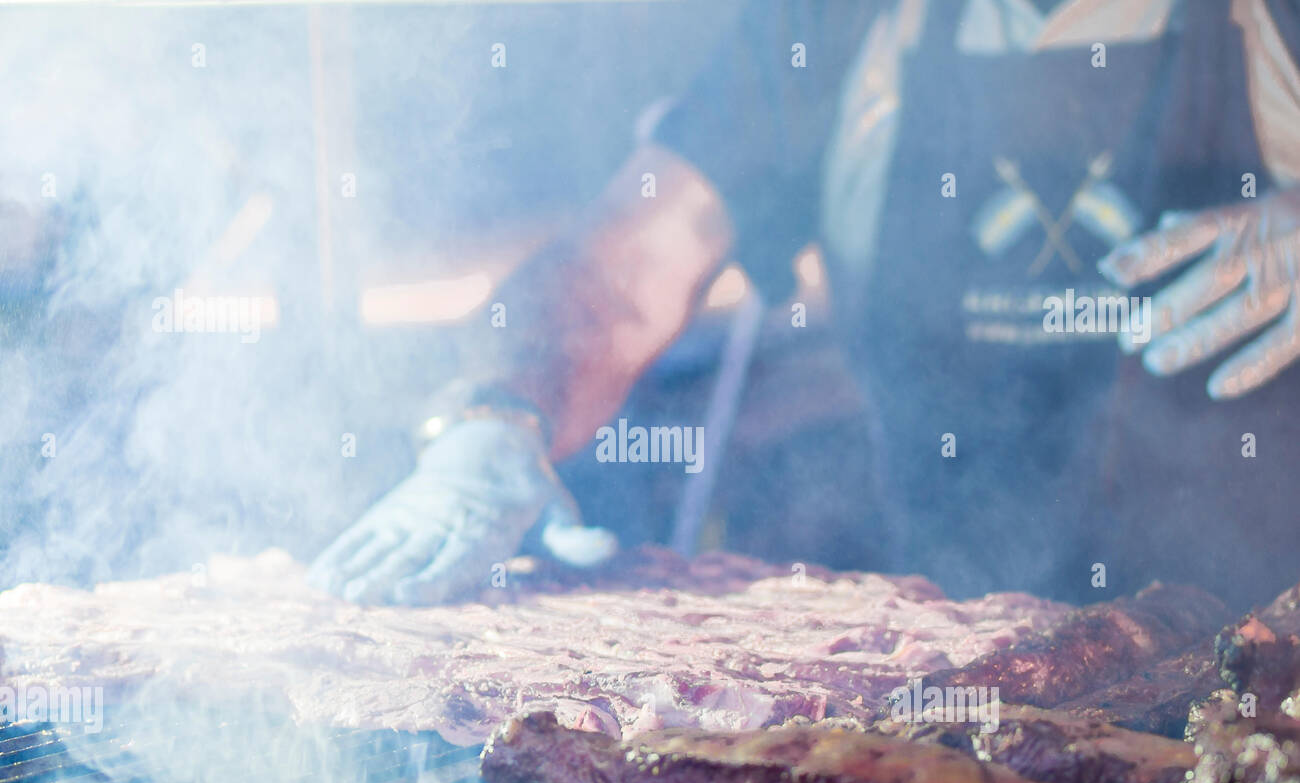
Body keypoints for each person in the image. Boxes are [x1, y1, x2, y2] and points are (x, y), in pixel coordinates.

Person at [309, 0, 1300, 610]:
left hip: (1266, 679)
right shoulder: (824, 24)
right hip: (959, 667)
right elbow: (621, 266)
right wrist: (498, 412)